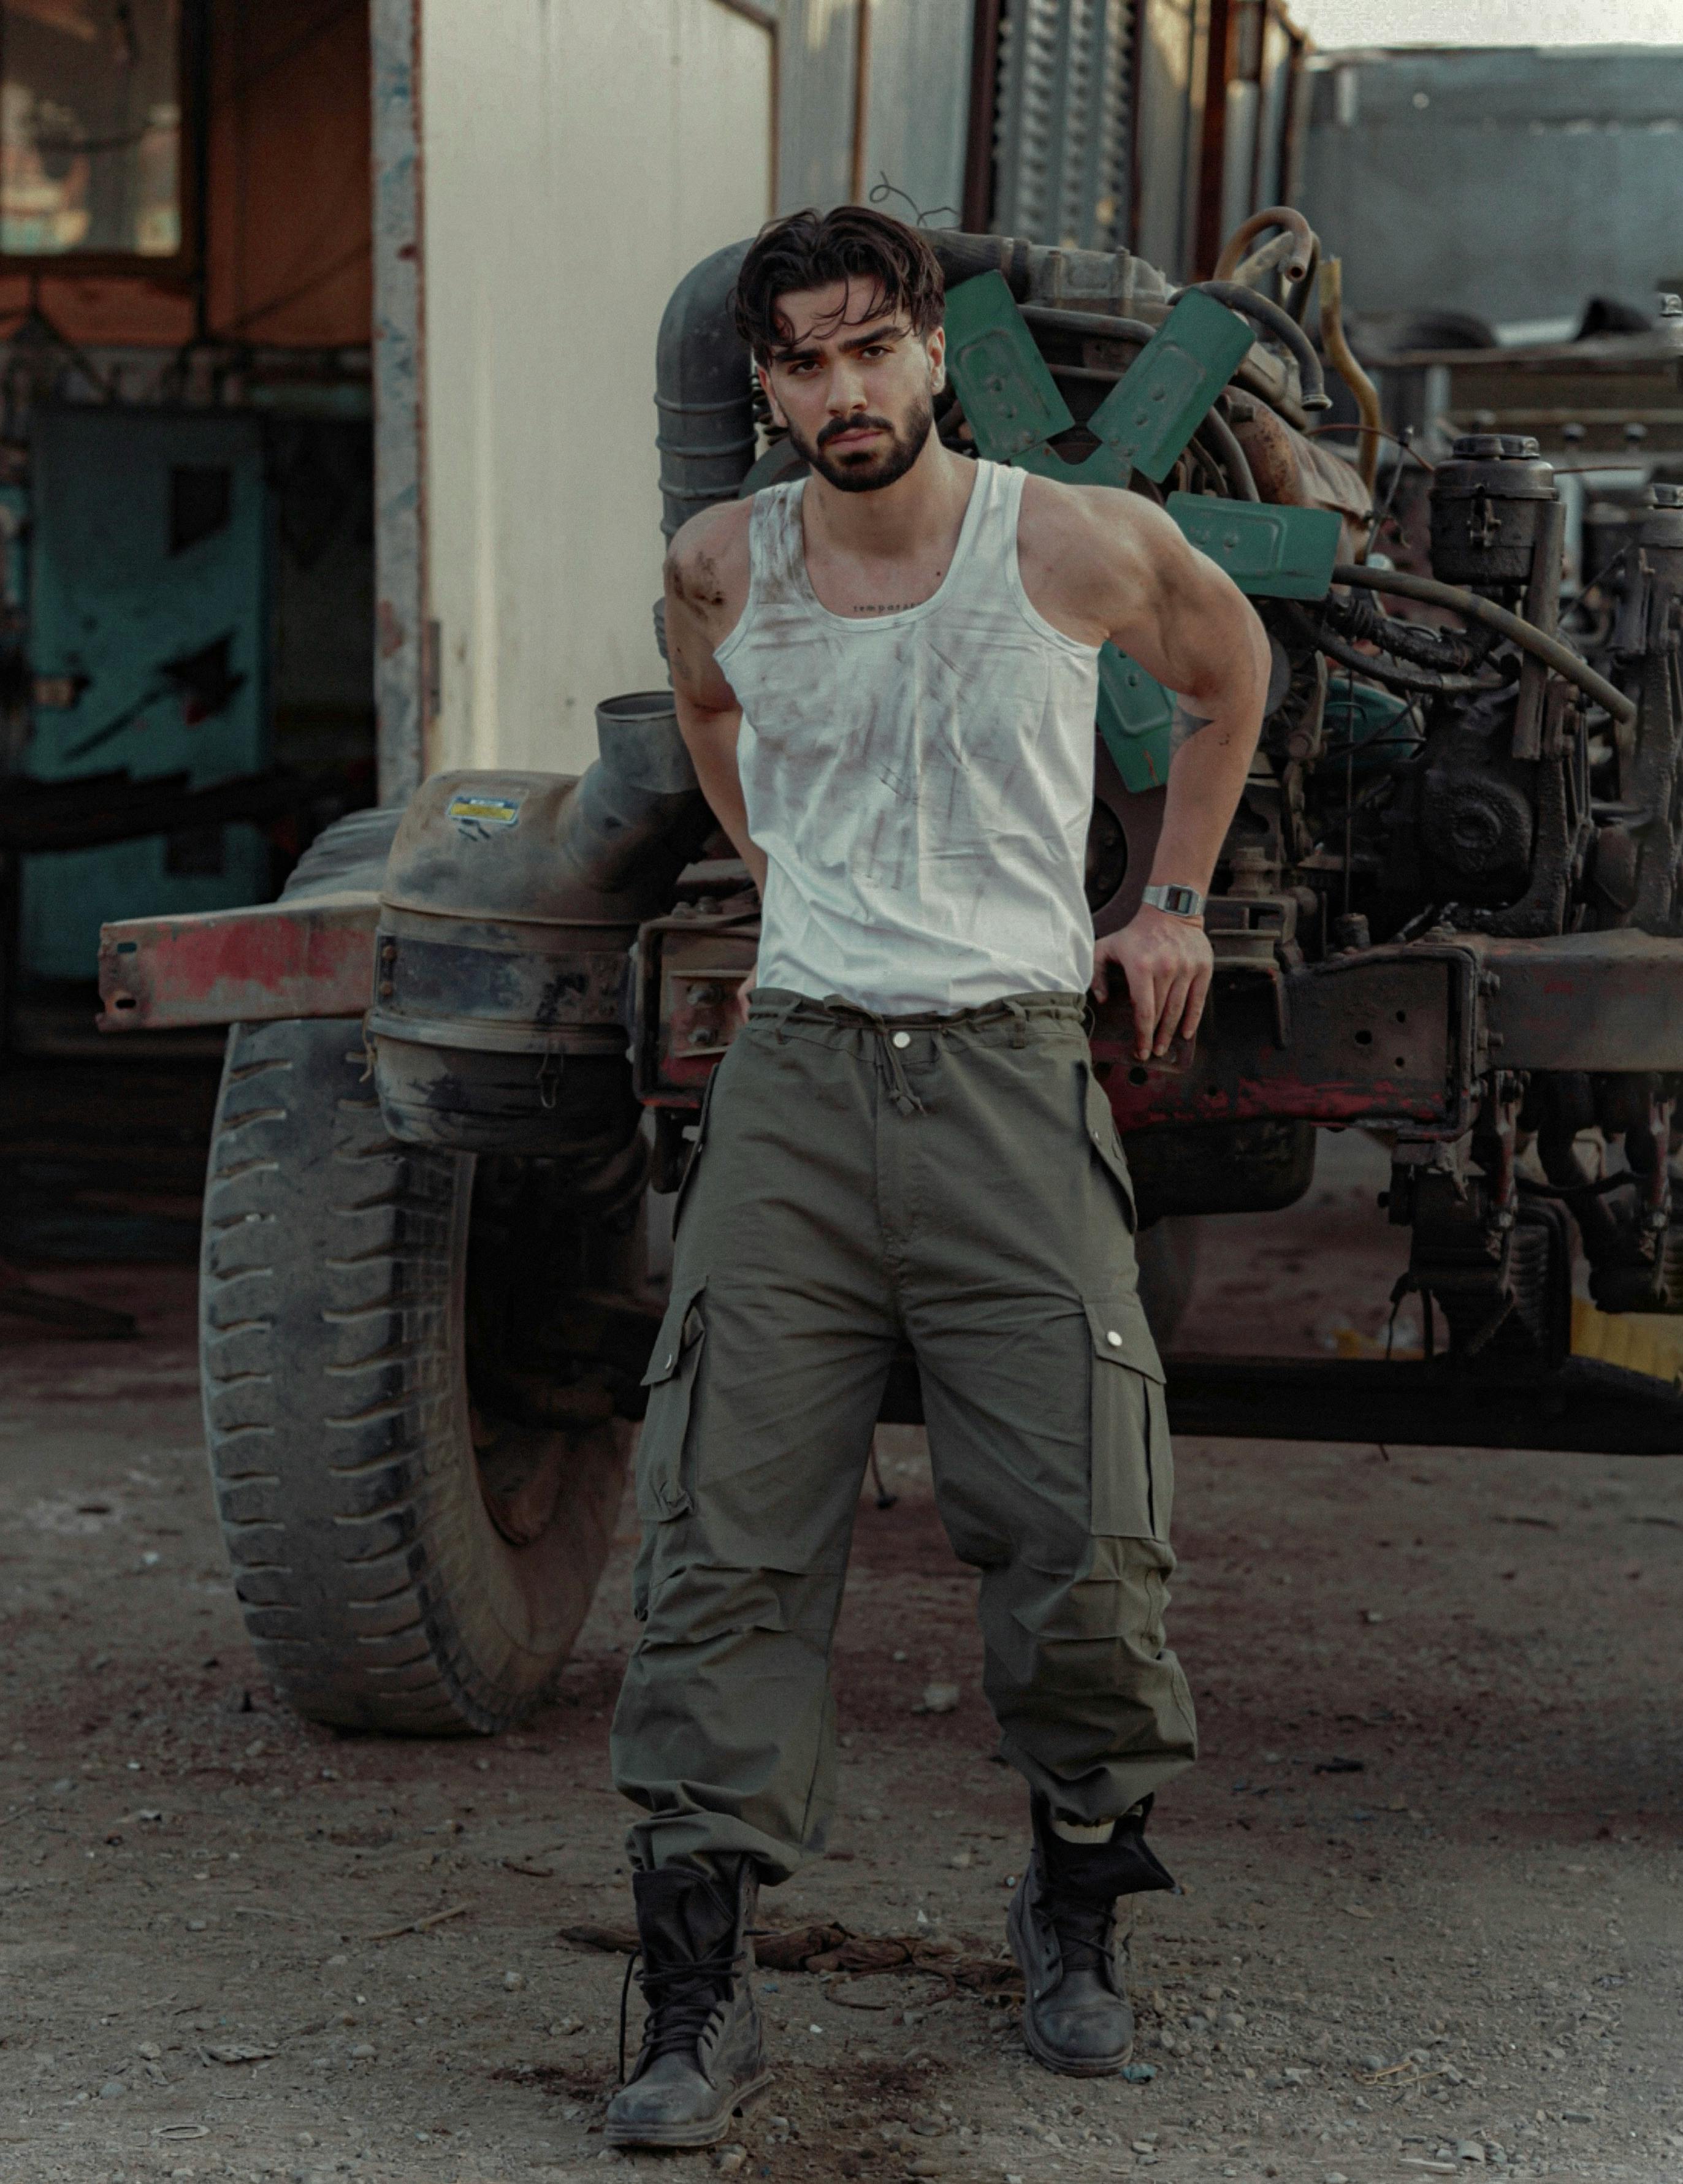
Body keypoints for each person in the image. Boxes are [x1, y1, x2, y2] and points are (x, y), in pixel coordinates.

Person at [604, 205, 1270, 2146]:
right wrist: (804, 878)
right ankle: (693, 1988)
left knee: (1078, 1519)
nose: (843, 390)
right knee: (719, 1534)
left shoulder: (1067, 542)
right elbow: (717, 722)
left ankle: (1074, 1905)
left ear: (930, 353)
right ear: (765, 385)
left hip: (1003, 1072)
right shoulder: (720, 565)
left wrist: (1170, 900)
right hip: (799, 1083)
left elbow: (1227, 685)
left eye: (872, 348)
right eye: (802, 362)